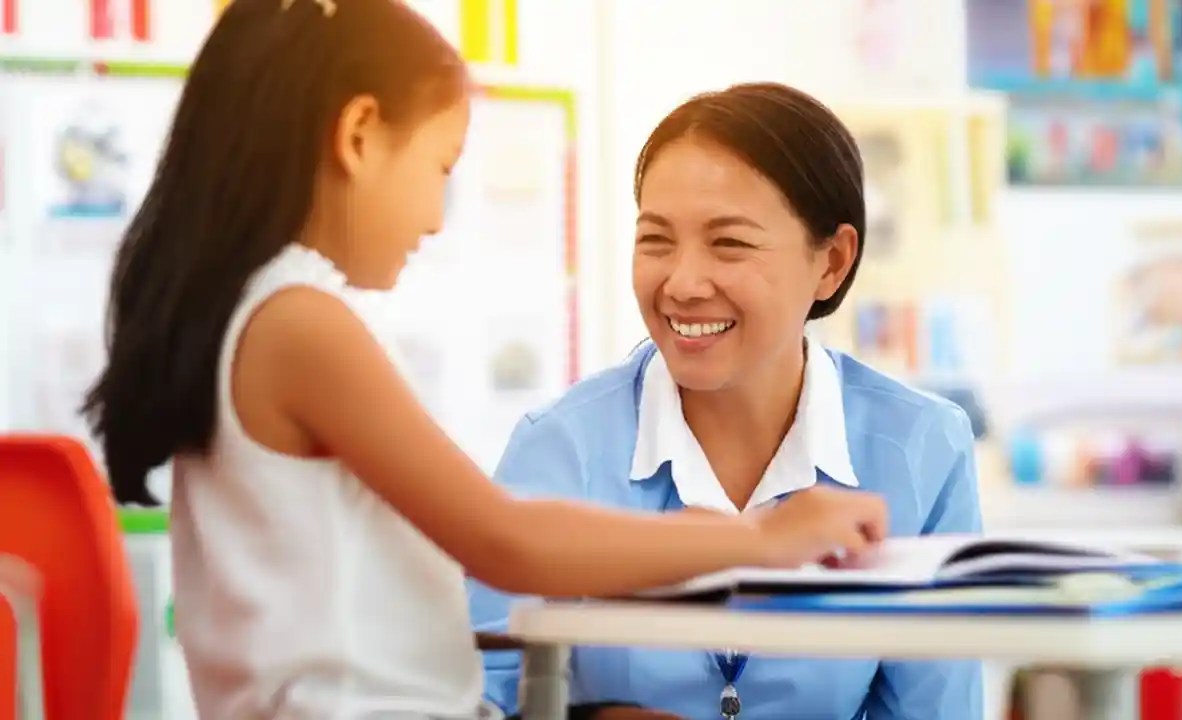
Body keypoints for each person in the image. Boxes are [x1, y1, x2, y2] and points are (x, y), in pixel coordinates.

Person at [77, 4, 890, 719]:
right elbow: (506, 541)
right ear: (360, 136)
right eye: (439, 169)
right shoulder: (300, 326)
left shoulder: (250, 314)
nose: (435, 217)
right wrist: (758, 540)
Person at [469, 83, 984, 720]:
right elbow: (481, 699)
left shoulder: (922, 446)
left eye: (729, 244)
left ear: (831, 262)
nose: (682, 283)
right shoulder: (560, 447)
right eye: (656, 240)